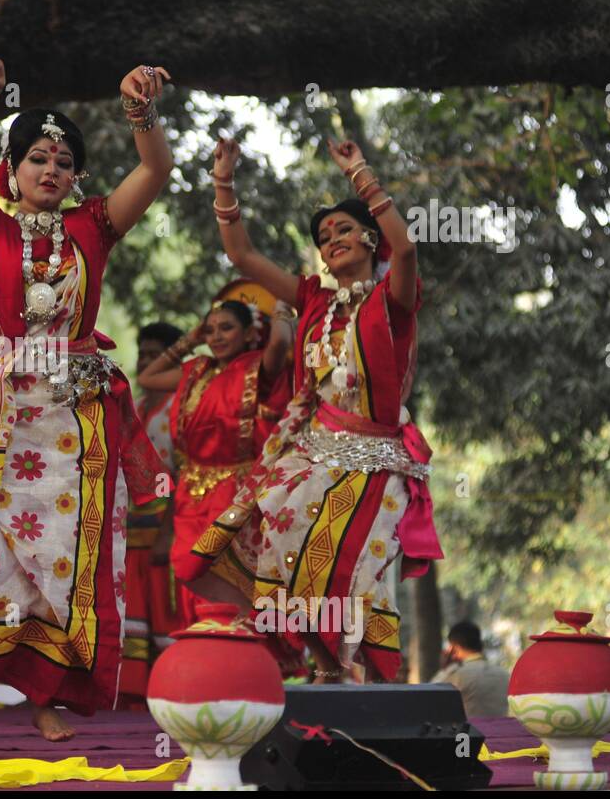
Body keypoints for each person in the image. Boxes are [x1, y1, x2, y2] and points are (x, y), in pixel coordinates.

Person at [0, 56, 172, 740]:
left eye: (63, 161)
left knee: (61, 556)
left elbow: (153, 173)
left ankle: (41, 695)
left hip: (69, 419)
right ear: (11, 169)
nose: (51, 170)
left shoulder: (94, 227)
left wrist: (140, 112)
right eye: (36, 158)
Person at [188, 135, 442, 683]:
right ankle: (326, 671)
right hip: (315, 454)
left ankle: (381, 686)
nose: (332, 241)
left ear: (371, 239)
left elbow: (408, 250)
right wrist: (224, 180)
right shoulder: (314, 300)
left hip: (378, 461)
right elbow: (242, 255)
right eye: (325, 237)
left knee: (359, 570)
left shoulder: (392, 300)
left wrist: (360, 174)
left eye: (344, 230)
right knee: (289, 546)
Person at [138, 295, 292, 627]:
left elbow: (280, 341)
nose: (217, 337)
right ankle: (219, 635)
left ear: (250, 333)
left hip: (234, 489)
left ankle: (242, 632)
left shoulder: (257, 368)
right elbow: (147, 378)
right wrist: (189, 340)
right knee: (186, 566)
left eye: (227, 328)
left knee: (221, 566)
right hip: (190, 491)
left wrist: (281, 305)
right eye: (210, 330)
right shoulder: (197, 370)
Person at [118, 321, 181, 704]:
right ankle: (134, 692)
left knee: (164, 604)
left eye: (155, 355)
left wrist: (169, 529)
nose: (145, 362)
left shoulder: (180, 407)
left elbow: (186, 473)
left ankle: (172, 687)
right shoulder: (137, 407)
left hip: (168, 521)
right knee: (135, 605)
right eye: (142, 354)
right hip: (132, 522)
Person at [431, 621, 510, 718]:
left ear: (454, 648)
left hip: (472, 732)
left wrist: (444, 669)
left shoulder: (457, 675)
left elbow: (429, 695)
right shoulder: (504, 674)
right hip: (504, 732)